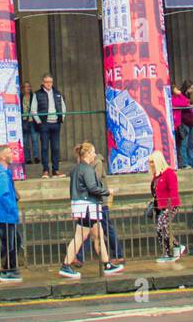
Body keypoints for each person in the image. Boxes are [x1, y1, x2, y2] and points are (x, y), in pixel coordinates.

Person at [59, 142, 123, 278]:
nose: (95, 155)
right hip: (87, 206)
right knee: (80, 236)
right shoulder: (87, 169)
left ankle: (106, 264)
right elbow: (92, 188)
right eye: (93, 152)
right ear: (87, 154)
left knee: (98, 234)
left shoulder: (77, 169)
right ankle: (66, 265)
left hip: (82, 205)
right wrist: (107, 191)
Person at [0, 145, 22, 283]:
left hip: (1, 213)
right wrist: (12, 208)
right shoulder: (2, 174)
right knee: (7, 245)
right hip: (6, 213)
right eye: (8, 153)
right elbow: (4, 195)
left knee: (15, 241)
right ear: (1, 157)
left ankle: (10, 269)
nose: (12, 155)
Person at [149, 150, 185, 262]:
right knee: (161, 228)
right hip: (161, 206)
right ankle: (175, 247)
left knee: (162, 227)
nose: (151, 164)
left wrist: (169, 207)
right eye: (150, 162)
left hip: (170, 205)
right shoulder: (156, 175)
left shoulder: (169, 173)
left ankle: (169, 252)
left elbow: (173, 191)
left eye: (152, 162)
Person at [29, 74, 67, 178]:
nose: (49, 84)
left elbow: (63, 107)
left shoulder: (57, 93)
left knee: (56, 148)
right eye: (46, 82)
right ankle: (45, 170)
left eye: (50, 82)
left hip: (56, 124)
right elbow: (33, 109)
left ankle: (56, 170)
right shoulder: (37, 94)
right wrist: (39, 122)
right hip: (44, 124)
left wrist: (61, 118)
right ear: (43, 83)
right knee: (45, 147)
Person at [173, 81, 193, 169]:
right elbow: (184, 104)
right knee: (184, 144)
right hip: (183, 122)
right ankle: (184, 162)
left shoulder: (190, 96)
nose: (192, 90)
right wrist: (180, 95)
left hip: (191, 121)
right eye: (190, 88)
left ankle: (191, 161)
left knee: (191, 143)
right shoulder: (177, 97)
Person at [20, 81, 40, 166]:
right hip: (24, 121)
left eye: (29, 86)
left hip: (33, 121)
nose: (27, 88)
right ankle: (28, 159)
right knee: (25, 141)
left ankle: (36, 157)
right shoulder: (20, 97)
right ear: (23, 88)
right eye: (25, 86)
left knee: (35, 139)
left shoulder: (34, 96)